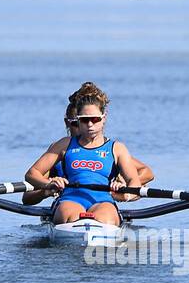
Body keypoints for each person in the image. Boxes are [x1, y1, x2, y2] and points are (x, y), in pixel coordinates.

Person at [24, 82, 151, 226]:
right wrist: (48, 184)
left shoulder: (117, 149)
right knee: (69, 216)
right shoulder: (64, 144)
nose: (90, 124)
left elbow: (135, 182)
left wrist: (125, 194)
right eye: (84, 120)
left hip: (103, 201)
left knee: (107, 220)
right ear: (77, 119)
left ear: (104, 117)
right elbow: (31, 174)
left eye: (95, 119)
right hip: (70, 199)